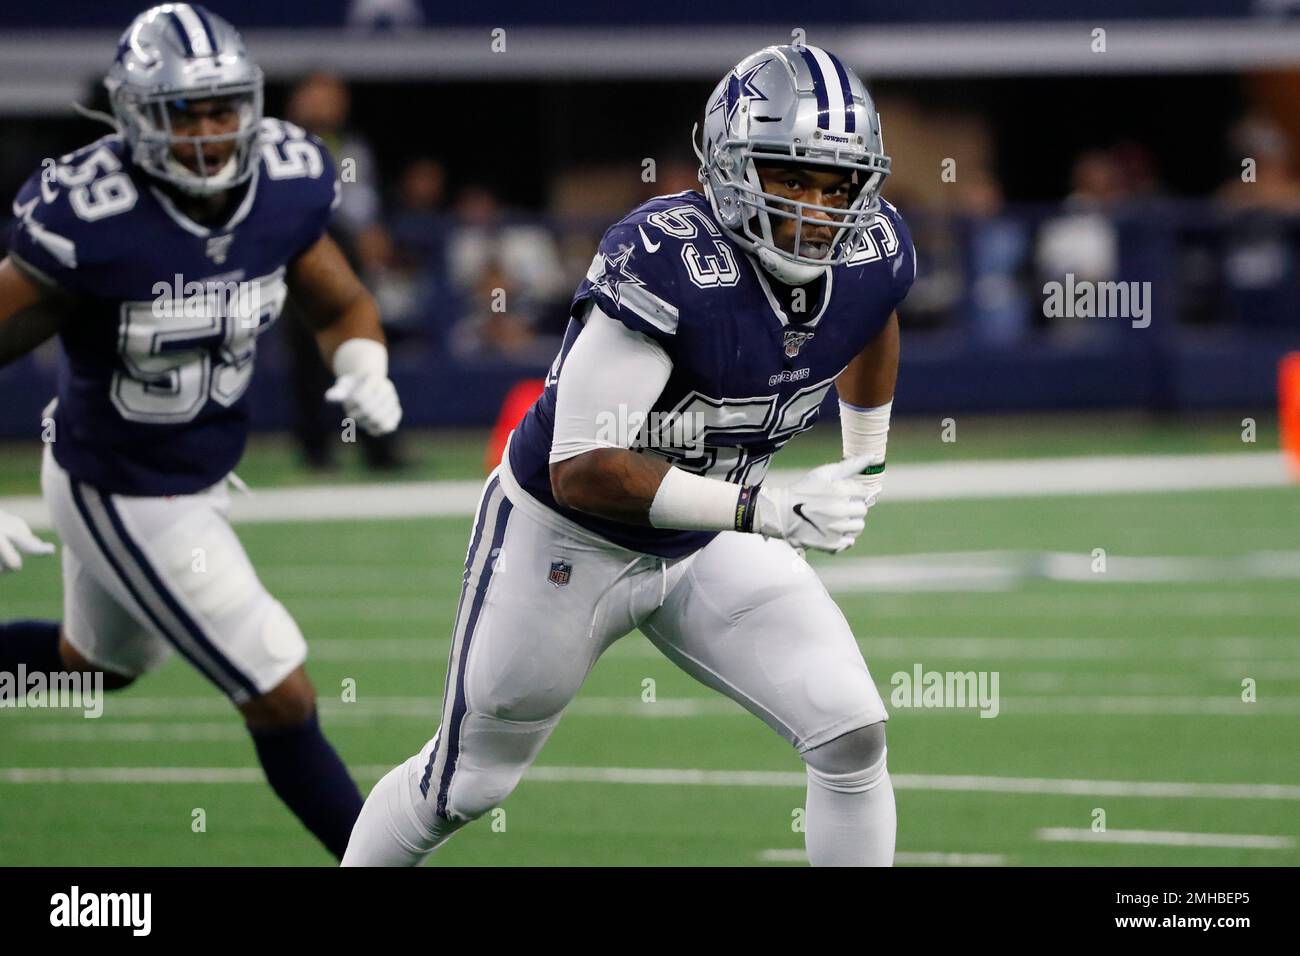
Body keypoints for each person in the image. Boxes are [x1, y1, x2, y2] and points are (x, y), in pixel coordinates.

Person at [344, 44, 914, 867]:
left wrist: (867, 461)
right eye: (790, 178)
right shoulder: (667, 256)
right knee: (464, 786)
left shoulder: (872, 251)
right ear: (728, 164)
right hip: (564, 538)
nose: (816, 209)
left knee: (850, 733)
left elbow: (875, 313)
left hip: (707, 538)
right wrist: (768, 509)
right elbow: (586, 467)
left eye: (837, 185)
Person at [0, 3, 402, 861]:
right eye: (188, 111)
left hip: (197, 468)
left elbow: (338, 301)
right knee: (280, 691)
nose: (211, 132)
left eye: (225, 107)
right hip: (122, 486)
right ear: (137, 113)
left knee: (90, 669)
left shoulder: (285, 180)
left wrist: (363, 363)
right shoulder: (93, 215)